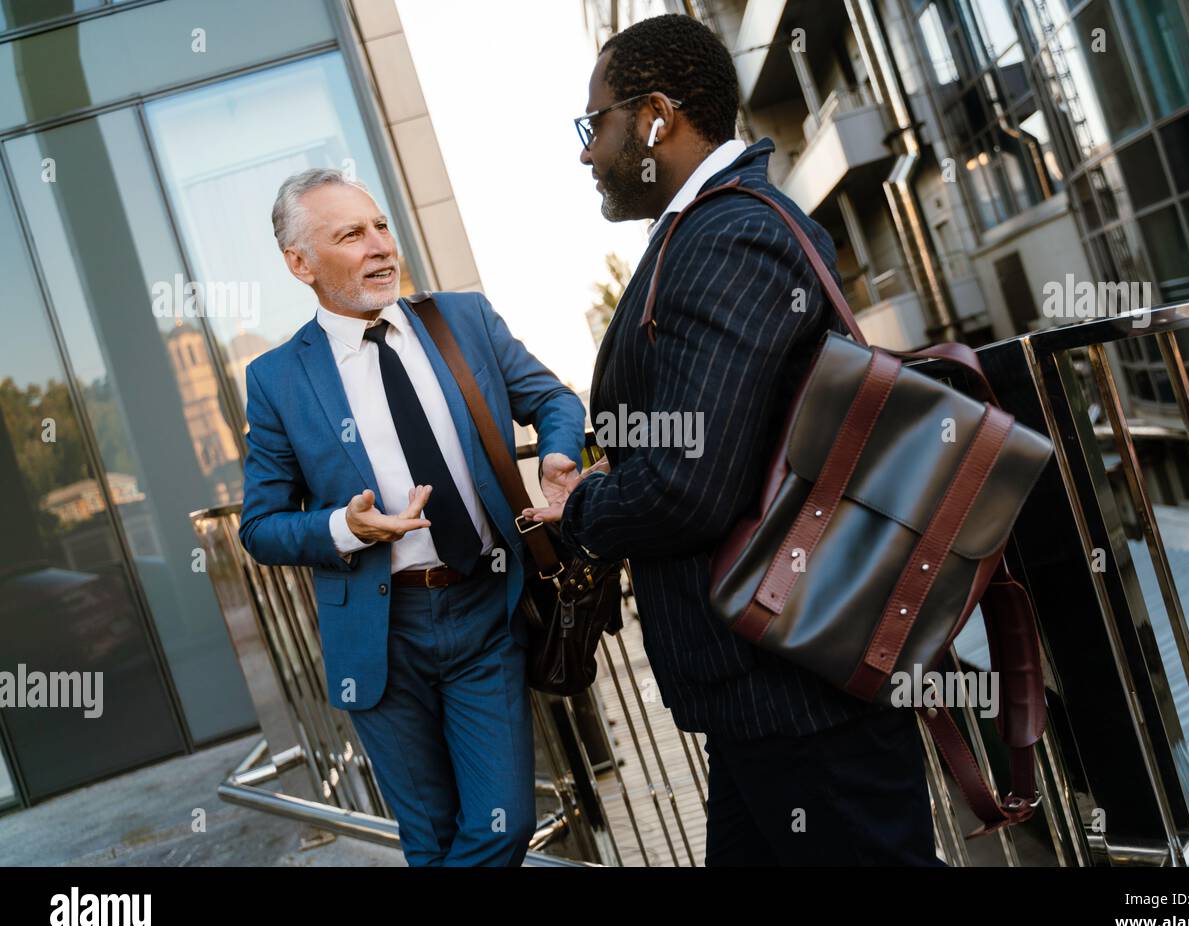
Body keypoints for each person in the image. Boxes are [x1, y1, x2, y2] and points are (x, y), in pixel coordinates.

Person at [525, 14, 943, 866]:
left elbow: (688, 482)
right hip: (765, 687)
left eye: (593, 123)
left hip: (796, 696)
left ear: (653, 118)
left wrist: (580, 509)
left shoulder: (728, 237)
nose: (584, 152)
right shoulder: (704, 231)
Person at [239, 168, 586, 866]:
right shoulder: (277, 379)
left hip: (485, 608)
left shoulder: (461, 319)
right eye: (350, 234)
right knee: (428, 837)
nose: (378, 246)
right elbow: (261, 525)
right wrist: (346, 527)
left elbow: (554, 400)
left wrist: (554, 455)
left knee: (503, 824)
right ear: (300, 263)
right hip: (380, 633)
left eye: (380, 226)